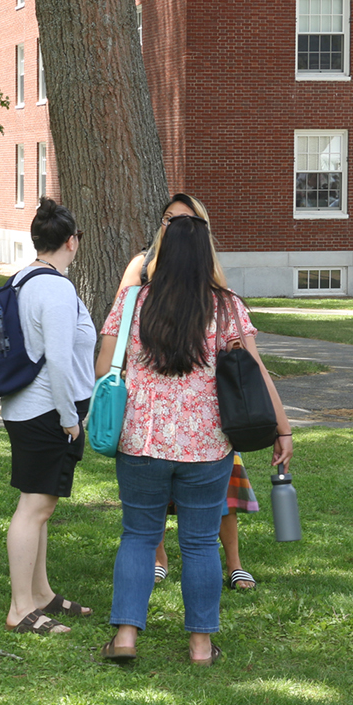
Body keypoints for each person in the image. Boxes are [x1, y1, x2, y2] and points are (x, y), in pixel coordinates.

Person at [96, 213, 292, 665]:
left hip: (141, 440)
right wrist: (282, 428)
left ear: (161, 252)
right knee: (201, 542)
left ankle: (125, 637)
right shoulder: (226, 307)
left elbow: (104, 366)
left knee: (138, 536)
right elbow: (254, 371)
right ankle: (201, 646)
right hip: (206, 444)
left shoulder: (132, 300)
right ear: (207, 255)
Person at [119, 194, 259, 591]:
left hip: (205, 419)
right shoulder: (140, 270)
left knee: (216, 502)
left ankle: (234, 562)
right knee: (157, 517)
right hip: (153, 420)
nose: (176, 225)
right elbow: (120, 329)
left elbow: (234, 341)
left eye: (186, 219)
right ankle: (159, 560)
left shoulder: (213, 280)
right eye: (169, 218)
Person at [0, 199, 98, 634]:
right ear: (71, 241)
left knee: (39, 505)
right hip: (47, 412)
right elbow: (58, 360)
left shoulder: (23, 279)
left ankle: (40, 593)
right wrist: (69, 418)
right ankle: (21, 608)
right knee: (34, 508)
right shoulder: (55, 289)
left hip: (27, 407)